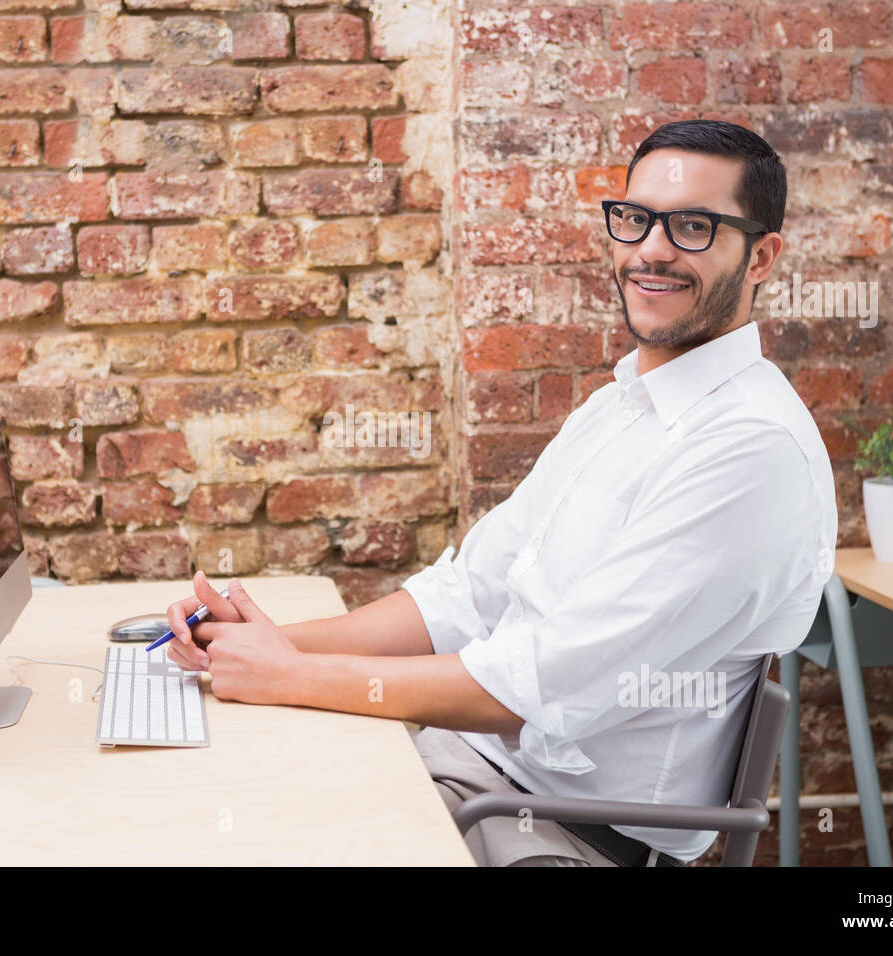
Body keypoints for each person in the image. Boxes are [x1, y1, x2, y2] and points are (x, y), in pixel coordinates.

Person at [162, 119, 837, 867]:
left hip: (555, 835)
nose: (651, 249)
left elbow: (533, 687)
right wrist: (263, 642)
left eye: (694, 227)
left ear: (762, 256)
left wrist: (291, 675)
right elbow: (466, 598)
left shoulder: (750, 451)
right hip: (467, 774)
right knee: (200, 798)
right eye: (636, 219)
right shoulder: (622, 404)